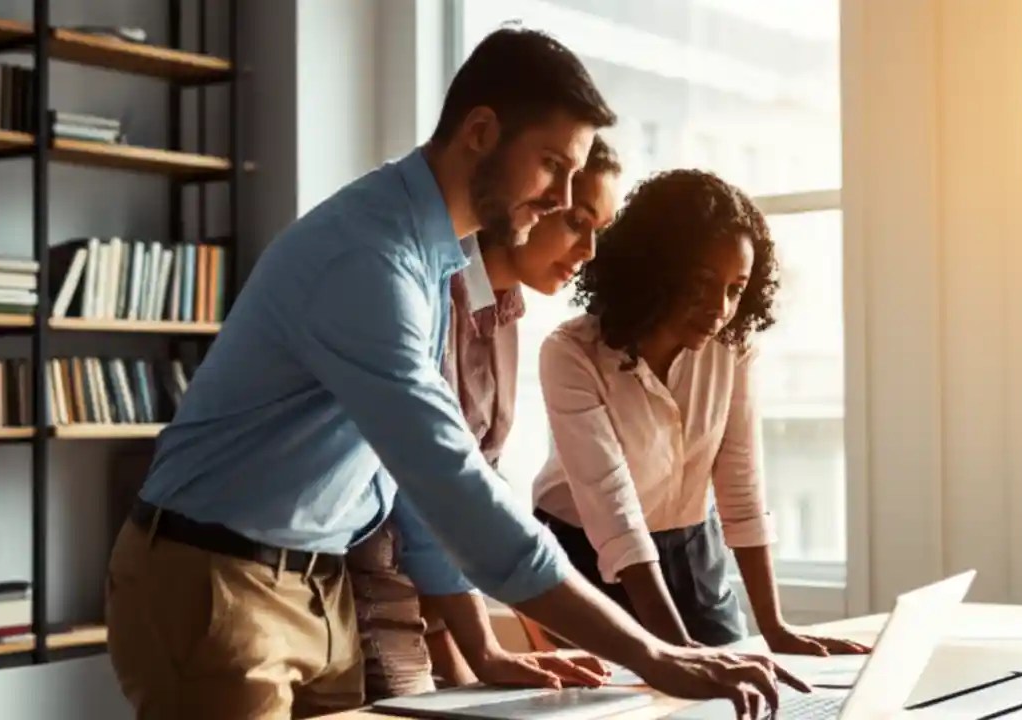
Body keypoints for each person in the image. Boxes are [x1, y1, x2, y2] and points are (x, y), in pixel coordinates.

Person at [105, 26, 804, 720]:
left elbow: (411, 483)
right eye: (553, 166)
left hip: (317, 587)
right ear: (479, 131)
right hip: (217, 578)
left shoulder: (431, 258)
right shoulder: (370, 260)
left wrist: (485, 648)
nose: (563, 198)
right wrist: (656, 655)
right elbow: (455, 485)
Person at [532, 169, 873, 654]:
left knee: (734, 679)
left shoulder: (732, 350)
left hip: (692, 542)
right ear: (657, 269)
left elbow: (740, 486)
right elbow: (615, 515)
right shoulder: (571, 353)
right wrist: (679, 654)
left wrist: (774, 630)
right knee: (639, 694)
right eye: (701, 284)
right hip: (585, 549)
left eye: (736, 288)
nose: (720, 307)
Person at [347, 136, 623, 699]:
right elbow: (430, 491)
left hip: (440, 597)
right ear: (535, 204)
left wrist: (532, 625)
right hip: (377, 586)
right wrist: (477, 653)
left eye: (602, 230)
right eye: (576, 221)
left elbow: (486, 484)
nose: (590, 249)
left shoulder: (506, 311)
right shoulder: (432, 295)